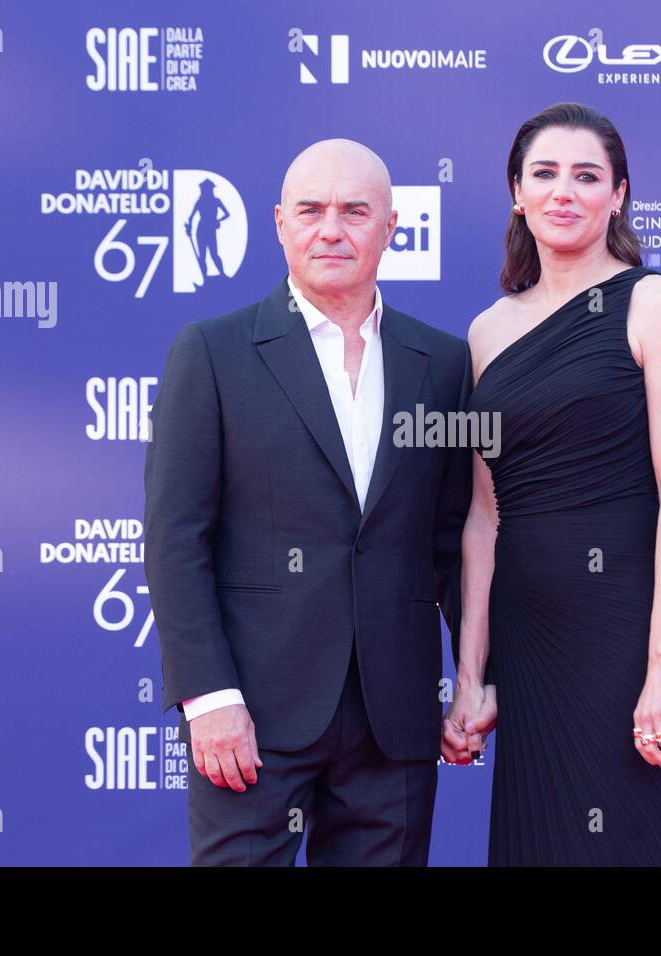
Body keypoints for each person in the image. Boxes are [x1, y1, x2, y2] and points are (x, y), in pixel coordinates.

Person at [145, 138, 473, 866]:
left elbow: (451, 542)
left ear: (392, 227)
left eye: (356, 210)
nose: (333, 228)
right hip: (253, 717)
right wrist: (208, 697)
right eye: (312, 210)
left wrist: (476, 676)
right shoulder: (212, 352)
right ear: (280, 224)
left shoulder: (443, 364)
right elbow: (176, 540)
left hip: (395, 721)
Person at [441, 102, 661, 865]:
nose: (564, 191)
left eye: (586, 175)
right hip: (530, 639)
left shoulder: (655, 303)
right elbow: (483, 518)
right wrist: (471, 677)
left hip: (629, 634)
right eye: (544, 174)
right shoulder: (488, 331)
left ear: (618, 194)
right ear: (516, 194)